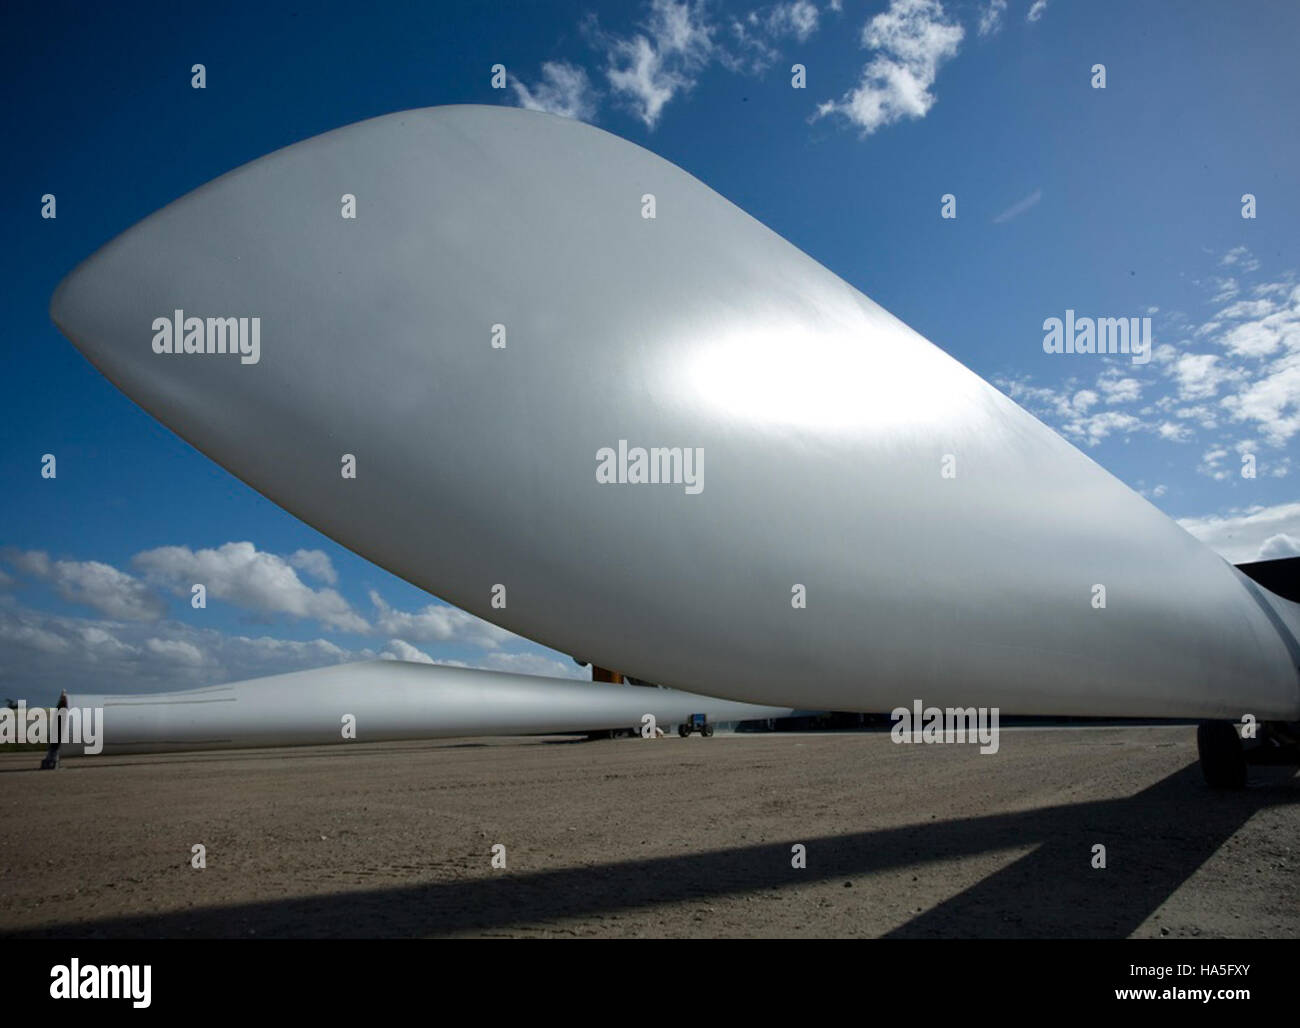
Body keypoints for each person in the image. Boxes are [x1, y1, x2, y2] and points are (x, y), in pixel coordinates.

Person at [39, 691, 69, 770]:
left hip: (57, 732)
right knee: (55, 748)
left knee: (54, 748)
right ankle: (53, 762)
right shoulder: (62, 707)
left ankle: (51, 762)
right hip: (58, 732)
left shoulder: (60, 707)